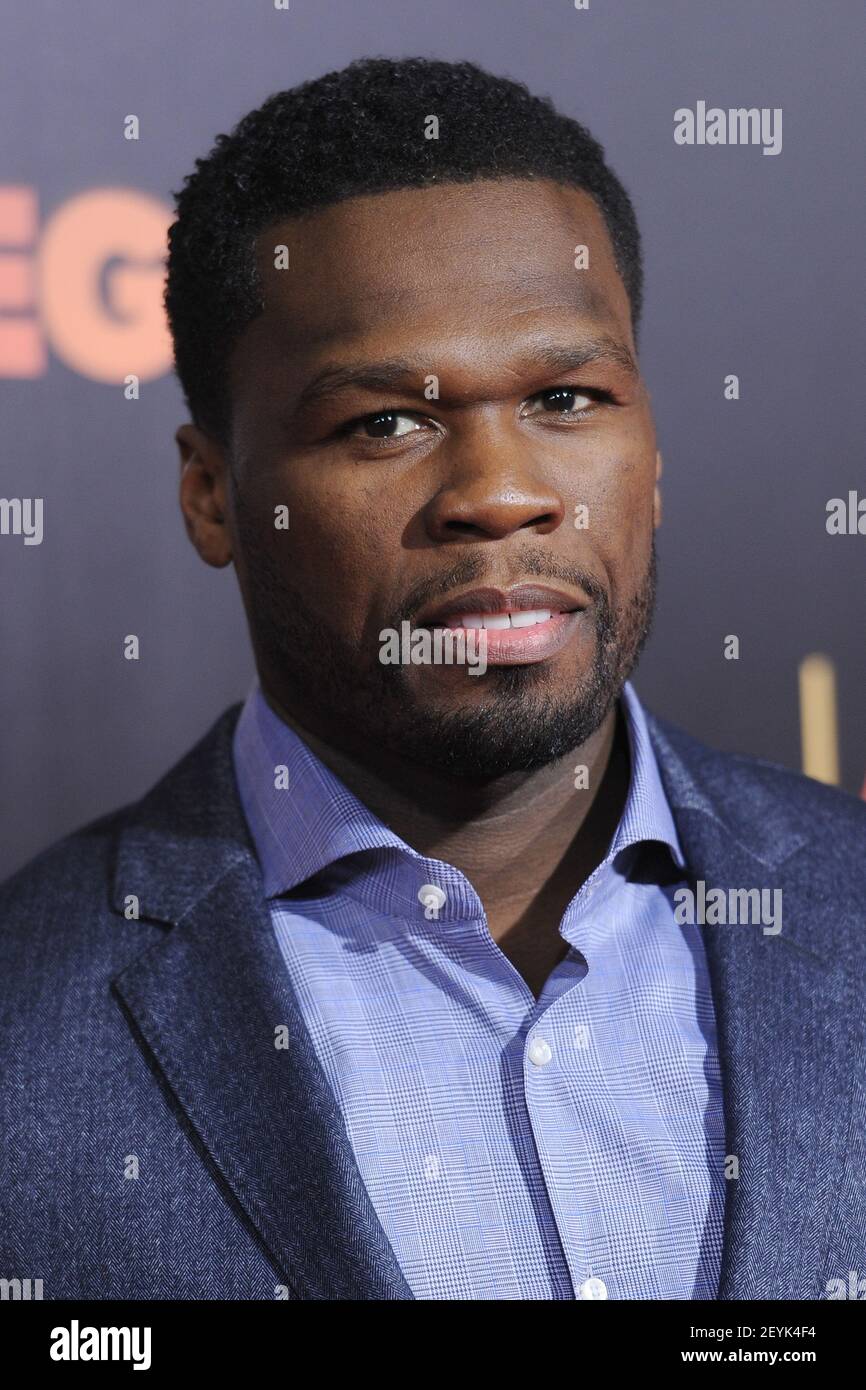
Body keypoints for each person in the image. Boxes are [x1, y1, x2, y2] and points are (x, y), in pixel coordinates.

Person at [1, 57, 863, 1302]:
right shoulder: (30, 1029)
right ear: (210, 494)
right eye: (384, 425)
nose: (500, 492)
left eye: (567, 397)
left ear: (653, 448)